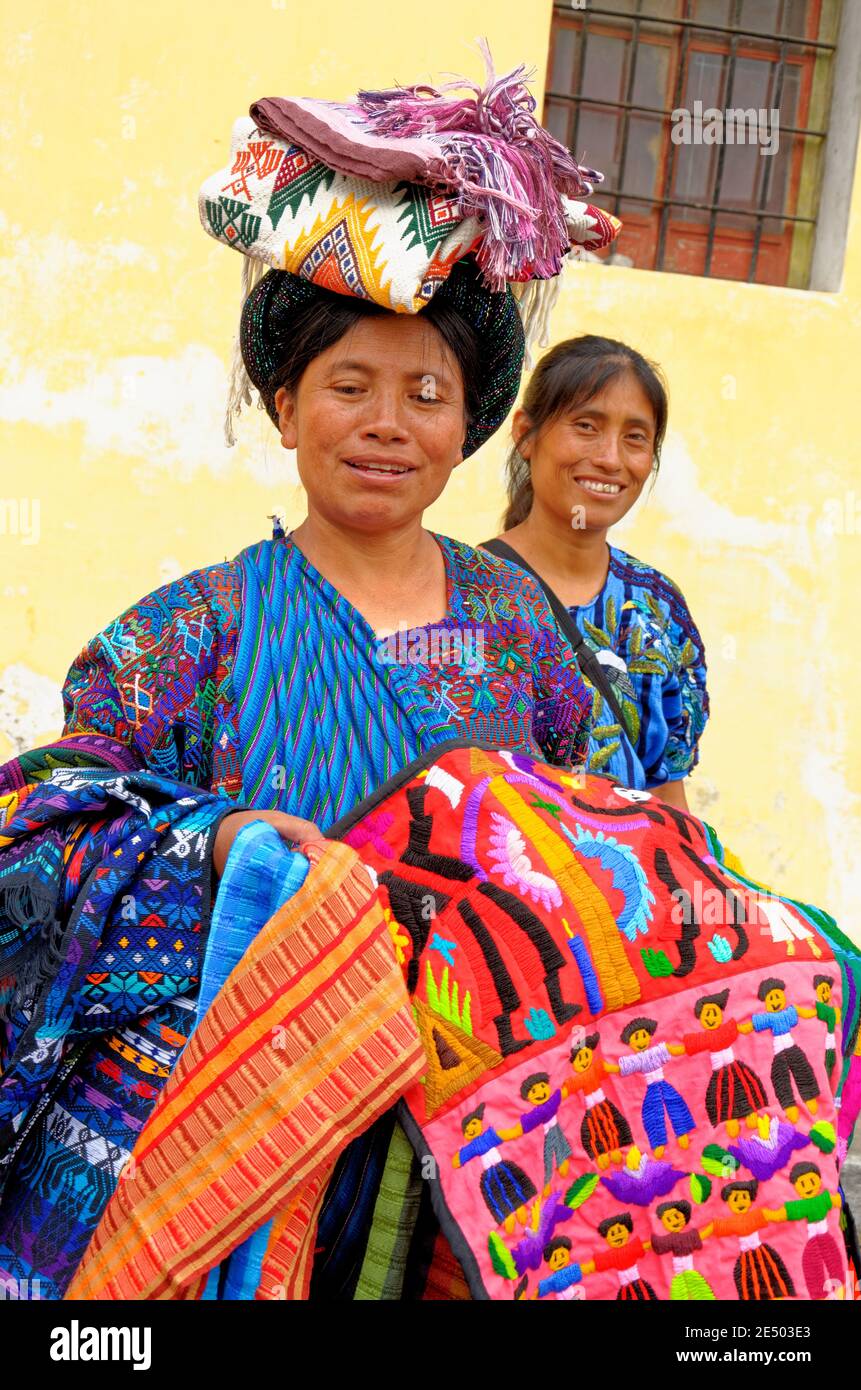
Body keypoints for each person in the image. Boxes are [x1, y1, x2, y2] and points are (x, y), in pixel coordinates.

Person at [0, 59, 607, 1301]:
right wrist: (213, 846)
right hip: (252, 1143)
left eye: (427, 393)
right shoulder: (192, 632)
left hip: (478, 1160)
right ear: (285, 409)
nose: (388, 421)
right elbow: (35, 822)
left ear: (469, 428)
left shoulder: (520, 625)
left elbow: (583, 818)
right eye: (349, 385)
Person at [486, 336, 708, 809]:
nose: (611, 458)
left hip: (634, 876)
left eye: (635, 437)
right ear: (526, 434)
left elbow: (667, 791)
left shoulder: (657, 605)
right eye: (586, 426)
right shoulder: (466, 591)